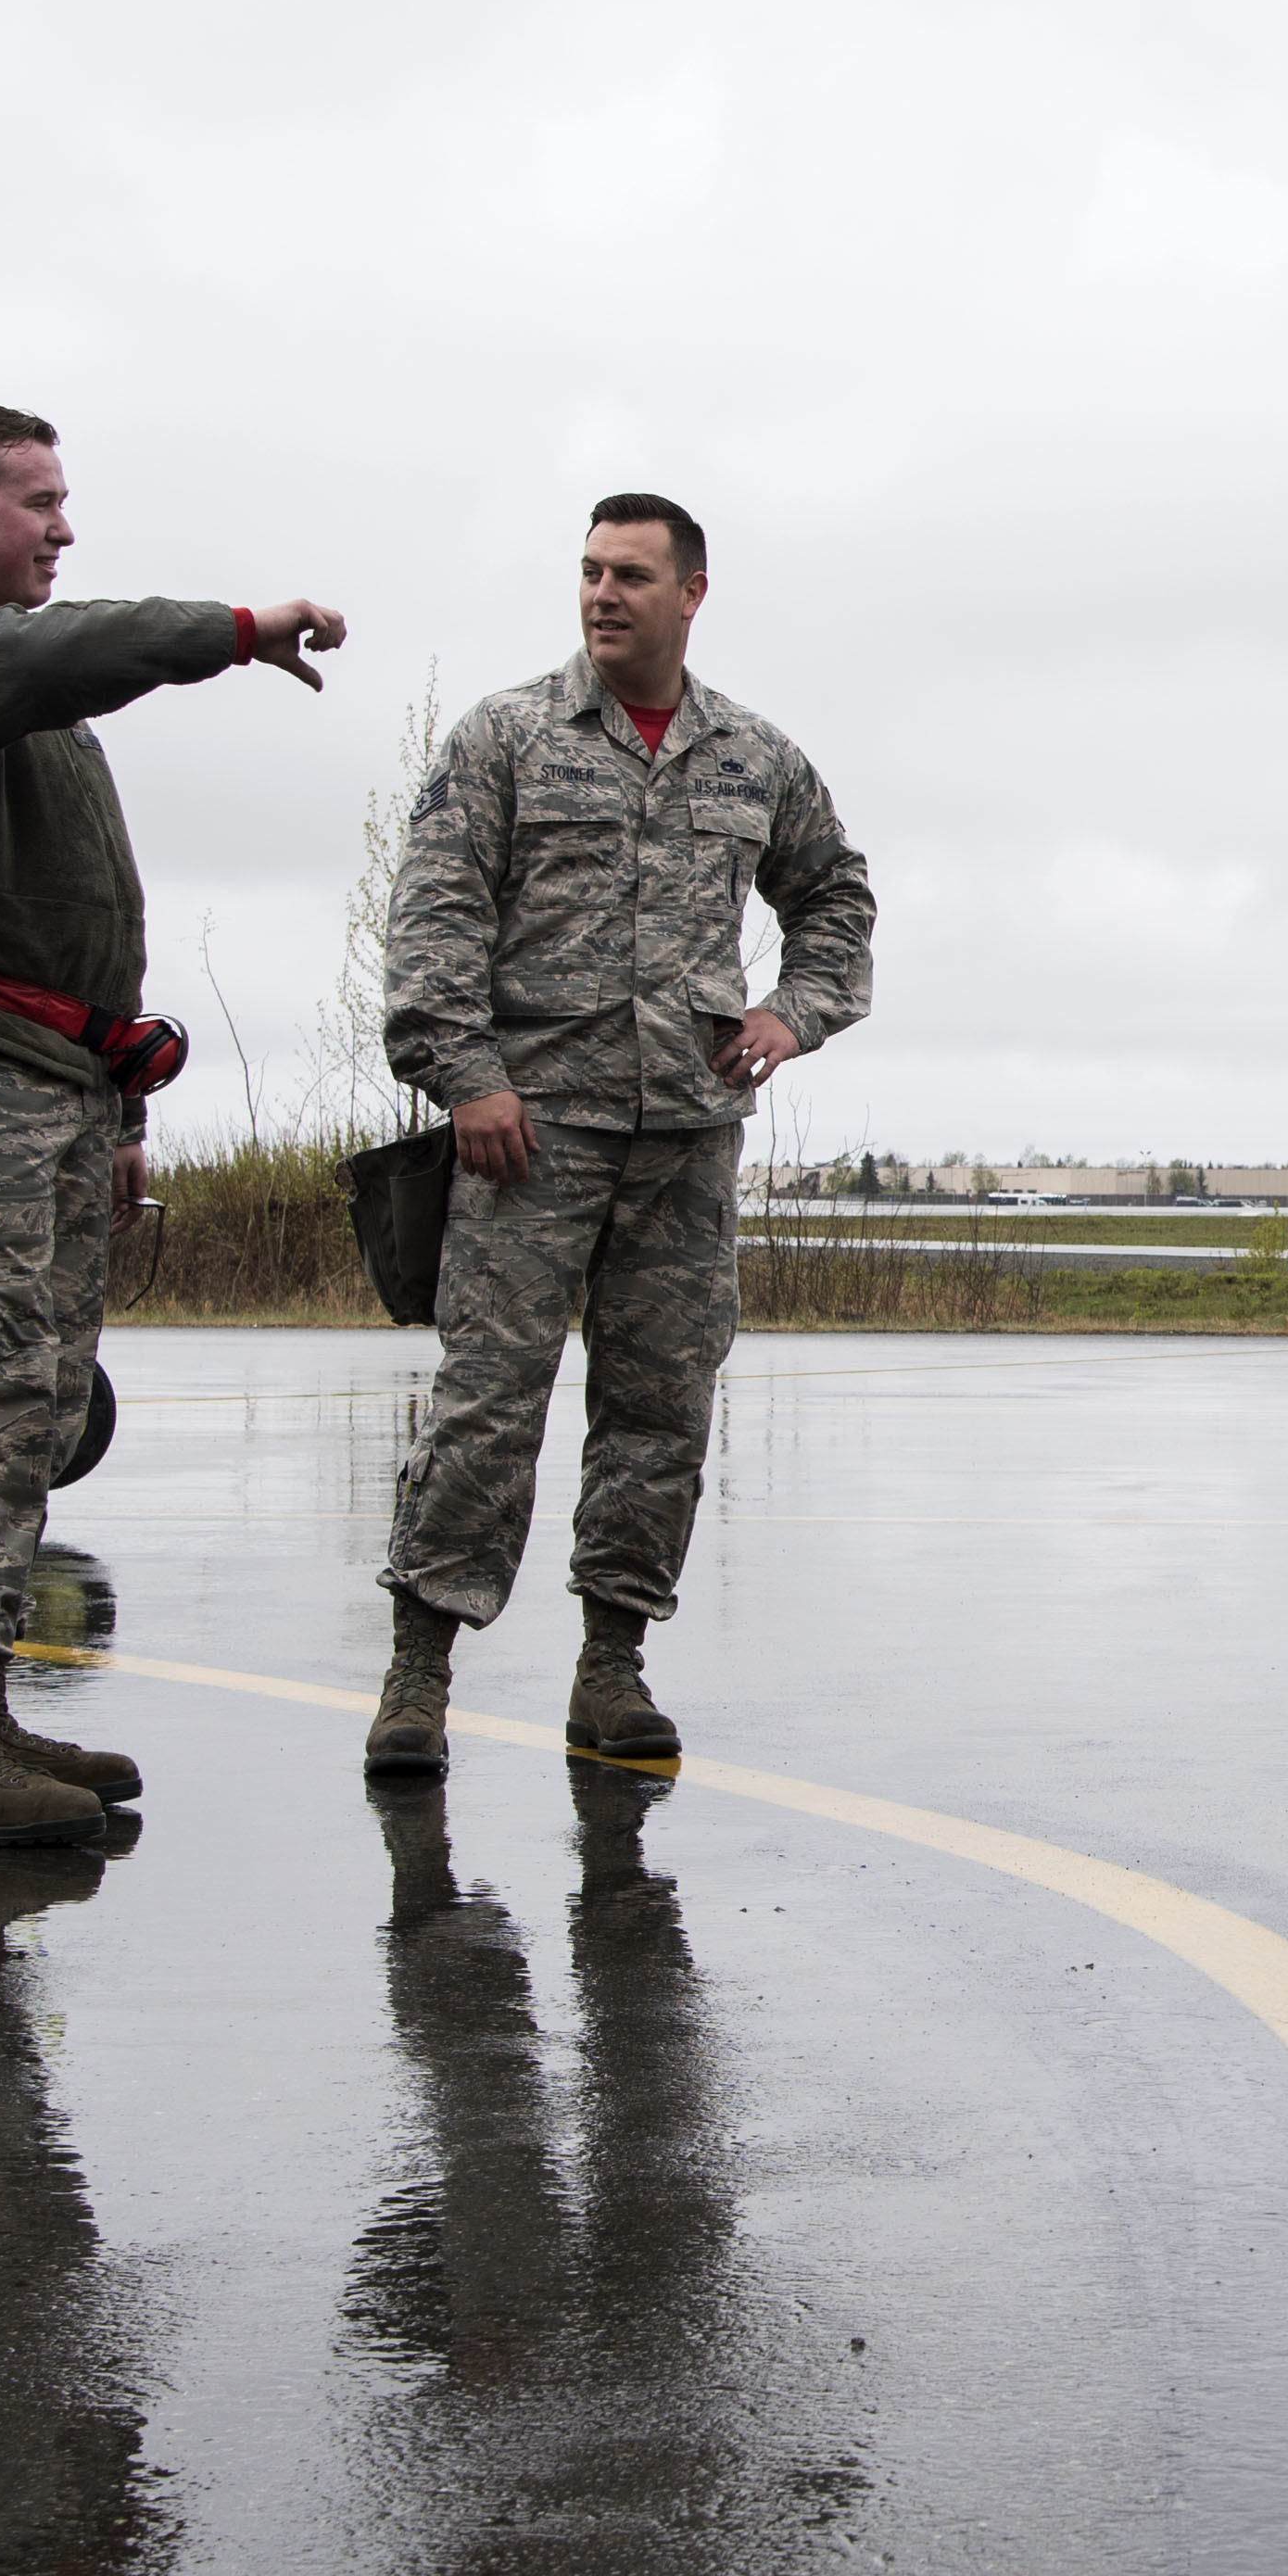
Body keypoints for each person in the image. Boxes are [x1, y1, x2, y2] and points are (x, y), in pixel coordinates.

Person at [0, 404, 347, 1840]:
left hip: (50, 1087)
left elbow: (71, 921)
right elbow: (67, 656)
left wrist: (116, 1106)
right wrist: (230, 629)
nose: (62, 529)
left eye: (66, 504)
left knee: (34, 1405)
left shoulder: (25, 711)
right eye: (38, 503)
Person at [369, 496, 878, 1773]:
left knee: (659, 1412)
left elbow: (835, 894)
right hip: (527, 1134)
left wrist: (791, 1014)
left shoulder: (752, 756)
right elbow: (433, 914)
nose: (603, 594)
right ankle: (418, 1679)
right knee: (487, 1407)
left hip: (686, 1139)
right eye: (590, 572)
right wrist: (465, 1075)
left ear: (691, 592)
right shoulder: (507, 736)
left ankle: (611, 1669)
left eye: (632, 576)